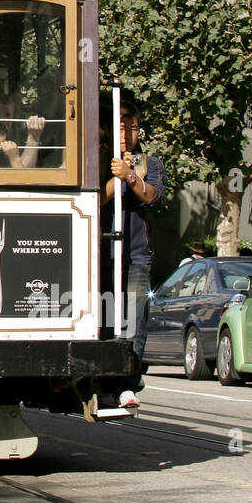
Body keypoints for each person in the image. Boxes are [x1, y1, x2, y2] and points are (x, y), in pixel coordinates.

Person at [100, 95, 166, 408]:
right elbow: (97, 200)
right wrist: (114, 176)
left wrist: (128, 174)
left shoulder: (149, 164)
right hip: (103, 254)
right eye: (123, 129)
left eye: (135, 128)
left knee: (135, 320)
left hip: (137, 256)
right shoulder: (97, 160)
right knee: (105, 318)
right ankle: (102, 379)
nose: (129, 134)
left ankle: (128, 383)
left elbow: (151, 196)